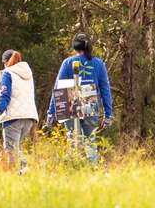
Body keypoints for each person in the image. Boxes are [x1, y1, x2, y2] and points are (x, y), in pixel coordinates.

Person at [47, 33, 112, 162]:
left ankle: (76, 165)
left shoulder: (68, 62)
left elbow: (58, 88)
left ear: (75, 46)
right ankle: (92, 167)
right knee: (90, 140)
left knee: (73, 138)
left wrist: (51, 112)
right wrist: (108, 114)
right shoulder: (98, 64)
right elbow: (105, 89)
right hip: (90, 103)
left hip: (71, 102)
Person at [0, 49, 38, 171]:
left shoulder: (7, 73)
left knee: (11, 150)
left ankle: (23, 171)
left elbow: (5, 96)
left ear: (6, 62)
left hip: (13, 117)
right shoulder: (28, 74)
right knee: (16, 148)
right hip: (29, 117)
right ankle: (21, 173)